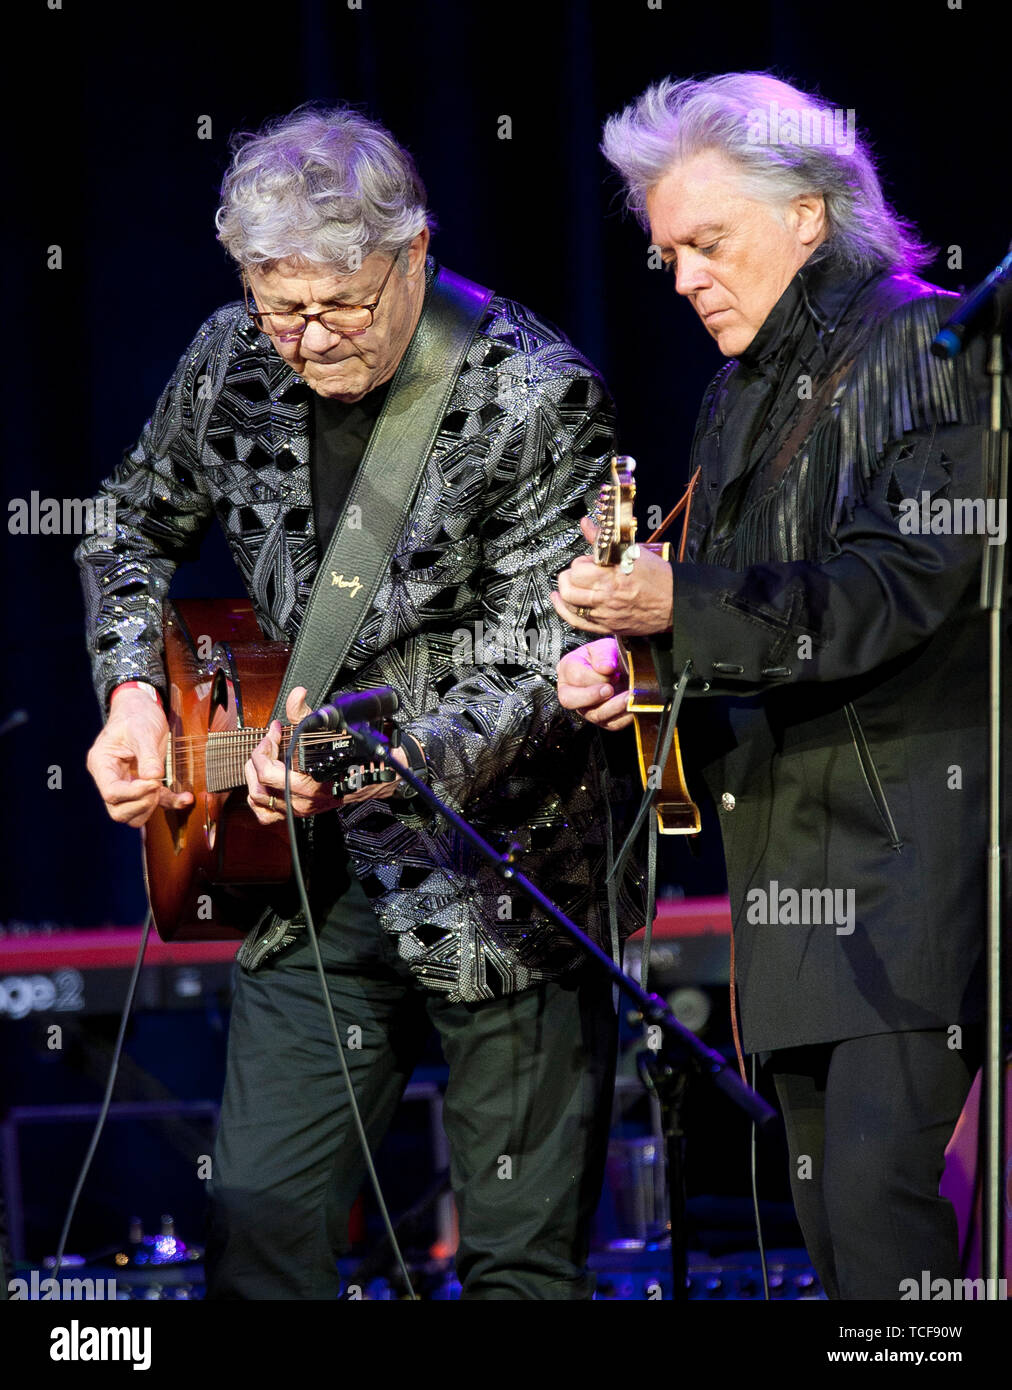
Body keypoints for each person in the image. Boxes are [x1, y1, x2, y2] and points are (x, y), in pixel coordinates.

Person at [78, 104, 643, 1300]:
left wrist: (370, 756)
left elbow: (543, 657)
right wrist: (132, 687)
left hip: (505, 884)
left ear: (415, 252)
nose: (308, 336)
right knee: (259, 1221)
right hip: (304, 873)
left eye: (339, 303)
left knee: (518, 1269)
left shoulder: (537, 395)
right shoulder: (232, 357)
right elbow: (129, 521)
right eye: (280, 305)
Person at [554, 72, 1006, 1300]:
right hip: (792, 882)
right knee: (833, 1232)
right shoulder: (735, 393)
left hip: (914, 869)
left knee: (876, 1214)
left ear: (808, 212)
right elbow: (745, 617)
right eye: (669, 255)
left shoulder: (930, 339)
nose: (687, 276)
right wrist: (636, 661)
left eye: (709, 241)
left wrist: (674, 608)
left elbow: (891, 592)